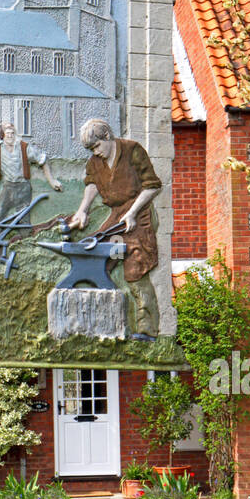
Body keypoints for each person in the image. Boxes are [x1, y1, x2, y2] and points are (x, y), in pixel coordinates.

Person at [68, 117, 161, 338]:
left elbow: (153, 186)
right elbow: (92, 185)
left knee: (135, 269)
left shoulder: (132, 151)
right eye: (90, 149)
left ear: (107, 136)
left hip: (140, 213)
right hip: (117, 215)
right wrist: (83, 210)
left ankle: (147, 330)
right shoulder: (94, 162)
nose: (95, 152)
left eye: (97, 146)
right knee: (96, 254)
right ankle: (104, 322)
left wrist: (133, 213)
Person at [0, 122, 62, 222]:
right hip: (8, 188)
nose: (10, 136)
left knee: (23, 220)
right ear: (2, 135)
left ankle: (25, 235)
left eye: (12, 133)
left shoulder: (23, 147)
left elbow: (42, 159)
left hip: (23, 188)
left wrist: (52, 181)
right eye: (7, 134)